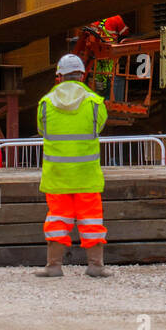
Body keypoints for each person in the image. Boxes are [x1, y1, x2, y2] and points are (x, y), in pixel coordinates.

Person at [34, 53, 110, 278]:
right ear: (83, 75)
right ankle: (96, 266)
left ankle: (54, 266)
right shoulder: (95, 103)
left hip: (57, 176)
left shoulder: (45, 104)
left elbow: (41, 130)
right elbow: (99, 128)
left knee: (57, 219)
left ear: (59, 77)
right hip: (87, 176)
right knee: (92, 220)